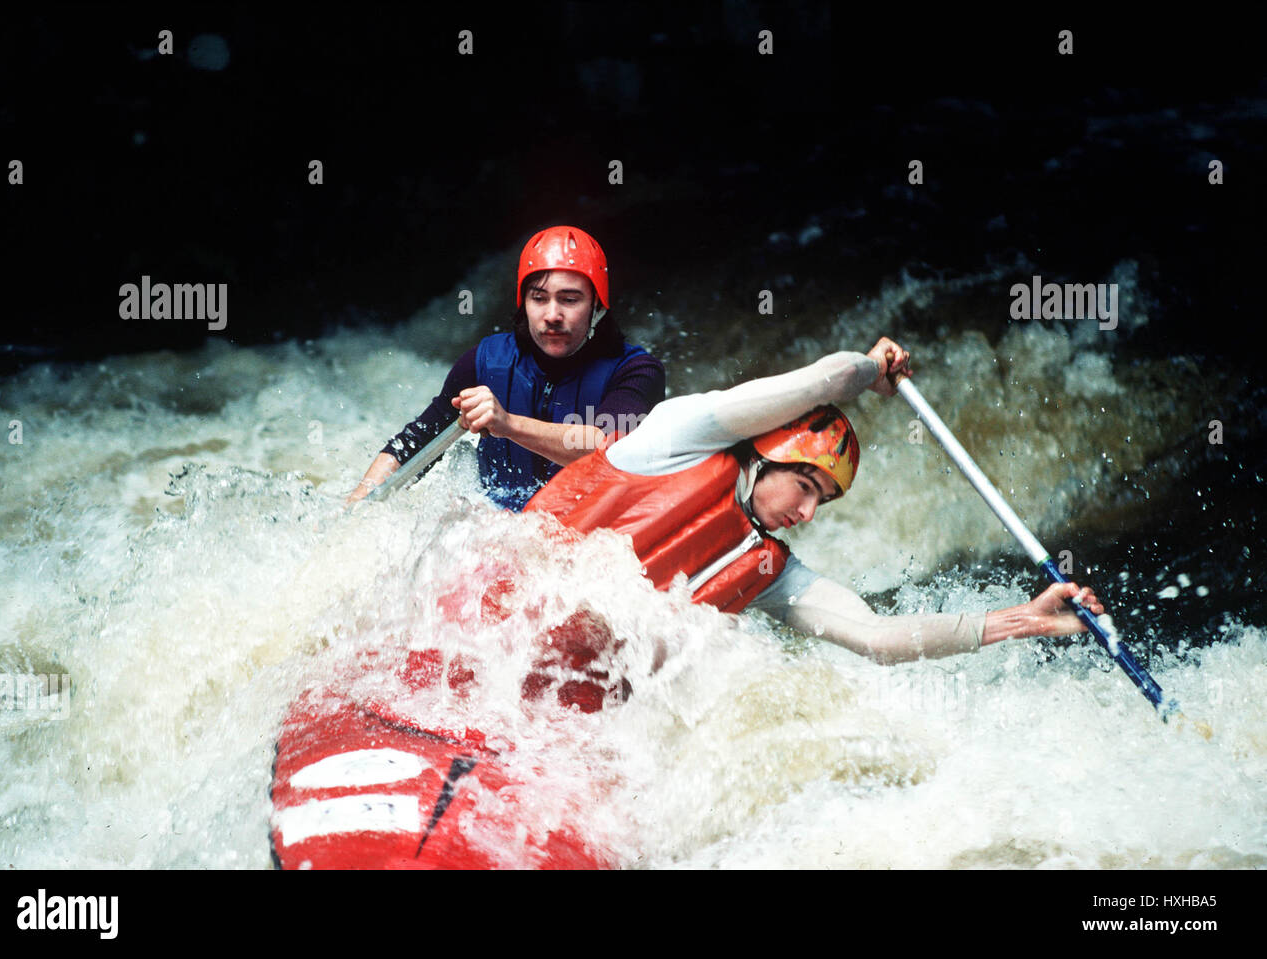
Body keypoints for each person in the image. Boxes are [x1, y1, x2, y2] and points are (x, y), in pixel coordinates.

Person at [523, 337, 1104, 664]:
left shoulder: (771, 572)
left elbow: (877, 639)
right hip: (499, 619)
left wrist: (1022, 621)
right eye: (804, 486)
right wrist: (874, 369)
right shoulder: (678, 438)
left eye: (821, 501)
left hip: (567, 697)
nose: (806, 515)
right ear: (764, 456)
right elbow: (823, 383)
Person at [347, 226, 666, 510]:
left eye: (569, 300)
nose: (552, 314)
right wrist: (356, 506)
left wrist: (508, 424)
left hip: (590, 529)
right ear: (523, 303)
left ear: (597, 305)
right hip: (500, 530)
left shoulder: (638, 372)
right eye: (539, 298)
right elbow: (414, 443)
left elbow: (605, 448)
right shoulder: (484, 362)